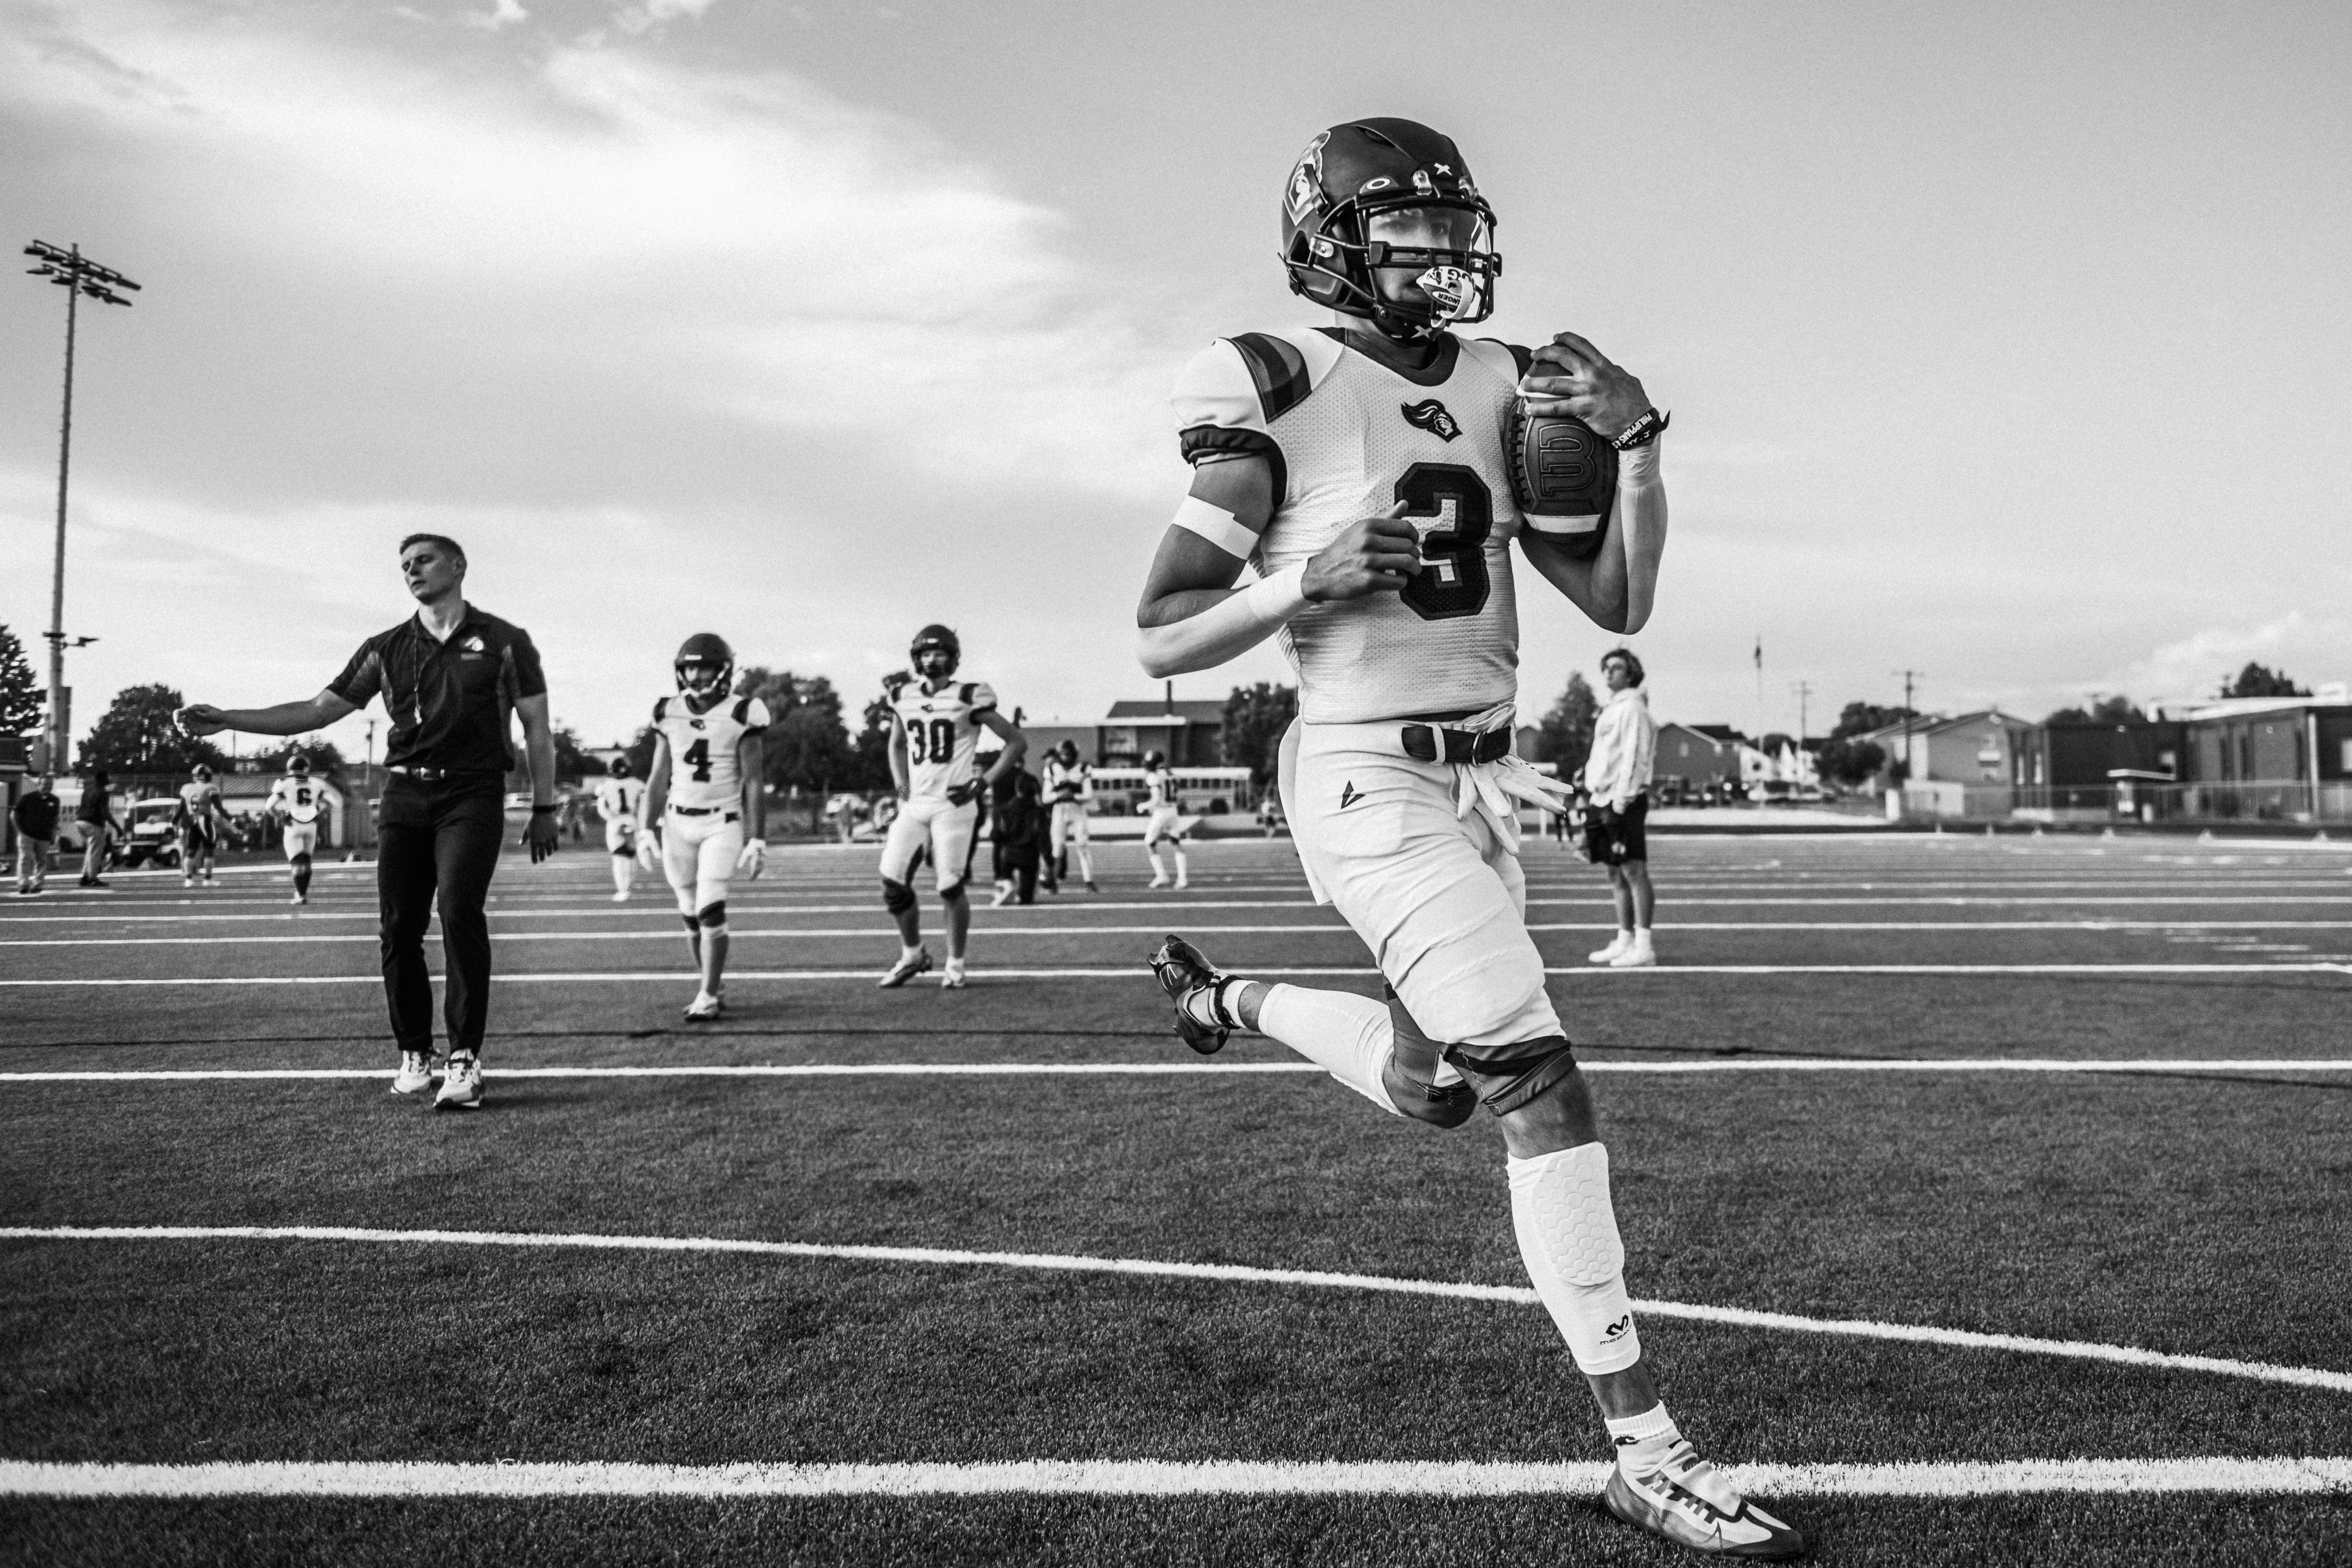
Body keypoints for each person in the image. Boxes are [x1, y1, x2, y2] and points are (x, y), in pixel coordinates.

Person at [1134, 120, 1800, 1560]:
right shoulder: (1275, 381)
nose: (1441, 259)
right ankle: (1647, 1451)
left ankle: (1222, 1000)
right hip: (1363, 777)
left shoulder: (1501, 379)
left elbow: (1615, 601)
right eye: (1409, 233)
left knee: (1435, 1083)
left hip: (1479, 784)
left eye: (1454, 233)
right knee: (1536, 1079)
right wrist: (1302, 580)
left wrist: (1639, 445)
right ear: (1331, 240)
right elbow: (1161, 634)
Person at [179, 532, 562, 1112]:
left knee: (458, 908)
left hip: (472, 791)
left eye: (424, 560)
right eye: (404, 565)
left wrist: (543, 807)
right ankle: (415, 1052)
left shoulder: (505, 642)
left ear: (458, 566)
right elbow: (316, 711)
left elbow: (537, 727)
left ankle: (464, 1057)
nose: (412, 570)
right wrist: (228, 717)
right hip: (405, 794)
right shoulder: (385, 648)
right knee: (398, 926)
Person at [877, 624, 1026, 990]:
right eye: (926, 654)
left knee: (949, 885)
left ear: (953, 658)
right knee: (892, 882)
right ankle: (913, 954)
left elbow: (1015, 742)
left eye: (939, 653)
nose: (932, 660)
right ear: (916, 659)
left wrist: (982, 782)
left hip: (953, 804)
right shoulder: (902, 695)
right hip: (916, 804)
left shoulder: (968, 695)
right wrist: (901, 785)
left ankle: (955, 963)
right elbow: (896, 744)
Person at [636, 633, 767, 1021]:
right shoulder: (668, 711)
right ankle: (714, 984)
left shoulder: (742, 711)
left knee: (711, 908)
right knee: (690, 914)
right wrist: (645, 828)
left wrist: (758, 838)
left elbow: (754, 780)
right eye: (690, 669)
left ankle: (707, 994)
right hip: (677, 822)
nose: (695, 676)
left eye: (704, 668)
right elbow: (658, 776)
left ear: (723, 671)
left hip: (721, 821)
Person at [1584, 648, 1659, 968]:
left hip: (1622, 800)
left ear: (1630, 674)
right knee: (1614, 872)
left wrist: (1622, 799)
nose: (1608, 673)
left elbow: (1635, 757)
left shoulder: (1633, 708)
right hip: (1601, 798)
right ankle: (1625, 939)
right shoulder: (1611, 708)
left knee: (1633, 870)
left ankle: (1644, 946)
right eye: (1606, 668)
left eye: (1616, 668)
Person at [264, 756, 329, 905]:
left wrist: (280, 818)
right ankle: (303, 893)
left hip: (293, 824)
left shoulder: (284, 783)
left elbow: (269, 807)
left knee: (297, 862)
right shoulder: (317, 782)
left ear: (290, 768)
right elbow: (330, 804)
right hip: (311, 825)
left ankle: (300, 895)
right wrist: (319, 815)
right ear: (306, 769)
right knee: (307, 861)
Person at [989, 753, 1047, 907]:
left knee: (1001, 855)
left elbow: (996, 836)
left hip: (1009, 854)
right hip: (1030, 856)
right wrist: (1049, 861)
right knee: (1027, 898)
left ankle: (1005, 882)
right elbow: (1044, 838)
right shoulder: (1038, 811)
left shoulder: (1004, 807)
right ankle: (1021, 894)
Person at [1042, 739, 1097, 892]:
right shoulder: (1052, 769)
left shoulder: (1083, 768)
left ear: (1074, 754)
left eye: (1068, 754)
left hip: (1077, 809)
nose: (1066, 757)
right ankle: (1053, 882)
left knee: (1083, 845)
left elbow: (1089, 795)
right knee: (1057, 847)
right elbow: (1046, 797)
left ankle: (1089, 881)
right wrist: (1059, 795)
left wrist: (1073, 797)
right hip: (1060, 810)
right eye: (1063, 754)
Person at [594, 757, 646, 903]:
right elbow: (643, 804)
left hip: (615, 821)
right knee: (631, 855)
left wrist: (612, 820)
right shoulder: (637, 784)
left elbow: (602, 808)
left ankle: (623, 890)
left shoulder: (605, 785)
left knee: (618, 857)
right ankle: (629, 886)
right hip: (632, 820)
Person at [1140, 749, 1188, 889]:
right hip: (1173, 811)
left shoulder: (1154, 777)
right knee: (1176, 843)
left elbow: (1156, 800)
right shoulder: (1172, 774)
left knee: (1150, 843)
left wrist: (1143, 806)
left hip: (1161, 812)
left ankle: (1162, 876)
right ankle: (1183, 879)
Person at [177, 764, 228, 887]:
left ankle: (189, 880)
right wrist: (231, 819)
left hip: (192, 822)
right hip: (205, 821)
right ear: (205, 776)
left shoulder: (187, 788)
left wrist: (172, 823)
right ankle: (208, 879)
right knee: (209, 851)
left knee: (191, 851)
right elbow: (219, 807)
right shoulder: (210, 788)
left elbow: (180, 809)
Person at [12, 776, 61, 896]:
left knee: (42, 861)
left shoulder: (55, 800)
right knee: (25, 858)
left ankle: (38, 885)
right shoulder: (27, 798)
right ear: (39, 784)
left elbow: (55, 819)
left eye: (50, 785)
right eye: (45, 784)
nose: (47, 787)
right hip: (27, 835)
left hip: (44, 836)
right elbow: (14, 814)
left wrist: (54, 834)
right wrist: (20, 831)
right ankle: (24, 884)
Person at [74, 769, 121, 888]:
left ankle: (85, 877)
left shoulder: (88, 789)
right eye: (107, 778)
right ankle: (93, 878)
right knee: (96, 852)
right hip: (93, 823)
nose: (109, 780)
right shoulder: (103, 791)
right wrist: (118, 828)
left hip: (80, 821)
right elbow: (106, 812)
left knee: (91, 850)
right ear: (103, 779)